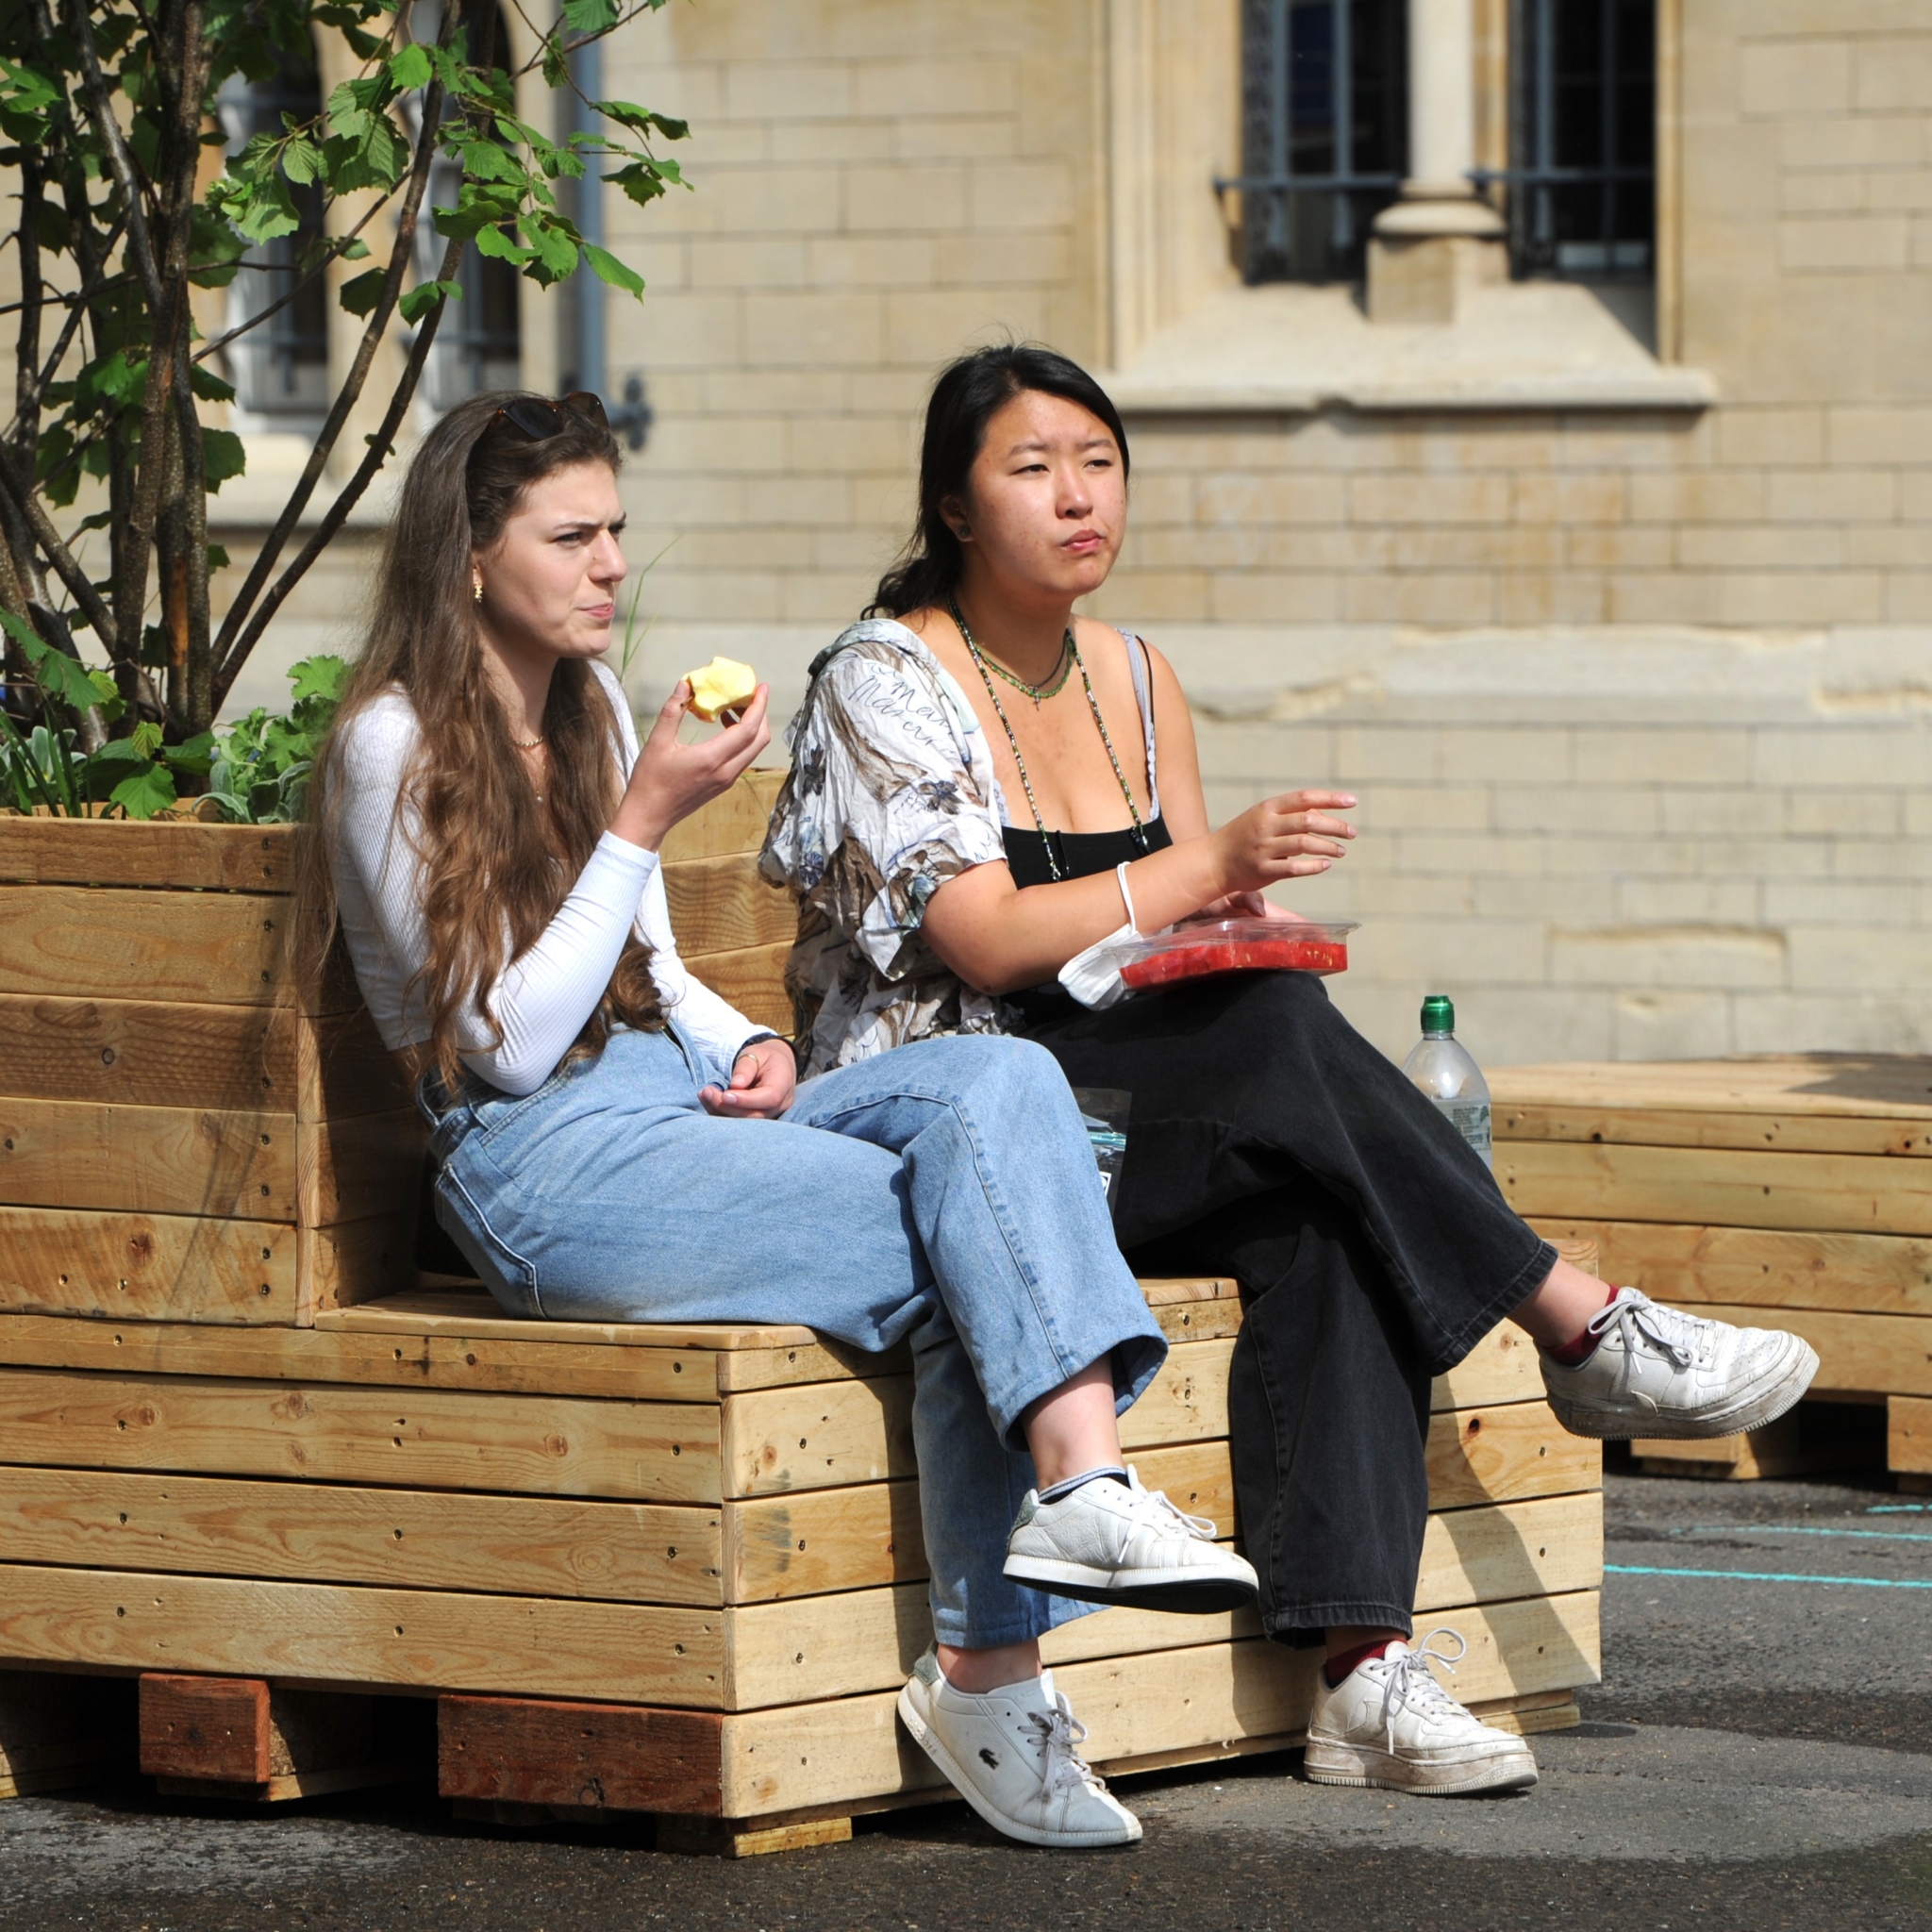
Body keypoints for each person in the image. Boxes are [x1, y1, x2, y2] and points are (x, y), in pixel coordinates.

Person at [759, 343, 1822, 1798]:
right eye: (1032, 467)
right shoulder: (887, 679)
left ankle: (1362, 1677)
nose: (1079, 497)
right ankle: (1576, 1320)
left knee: (1326, 1203)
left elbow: (1171, 937)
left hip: (1135, 1113)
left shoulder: (1139, 677)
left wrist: (1240, 921)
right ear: (952, 505)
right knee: (1278, 1058)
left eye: (1099, 463)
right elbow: (987, 941)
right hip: (967, 1130)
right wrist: (1212, 865)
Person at [292, 389, 1262, 1851]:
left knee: (1001, 1079)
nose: (613, 562)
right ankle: (998, 1669)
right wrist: (640, 822)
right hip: (539, 1164)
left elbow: (658, 969)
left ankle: (1079, 1490)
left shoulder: (593, 701)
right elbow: (496, 1047)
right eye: (571, 537)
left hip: (670, 1102)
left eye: (616, 528)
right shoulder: (388, 742)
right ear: (469, 560)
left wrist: (736, 1033)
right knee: (962, 1236)